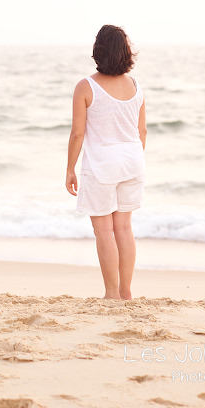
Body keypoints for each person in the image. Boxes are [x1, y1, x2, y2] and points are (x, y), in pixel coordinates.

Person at [66, 25, 147, 300]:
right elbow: (142, 132)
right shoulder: (136, 86)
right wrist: (133, 158)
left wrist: (70, 169)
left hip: (102, 164)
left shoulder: (86, 87)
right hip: (133, 161)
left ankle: (111, 293)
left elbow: (78, 133)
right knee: (124, 227)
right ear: (125, 51)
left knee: (104, 230)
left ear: (98, 51)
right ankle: (126, 291)